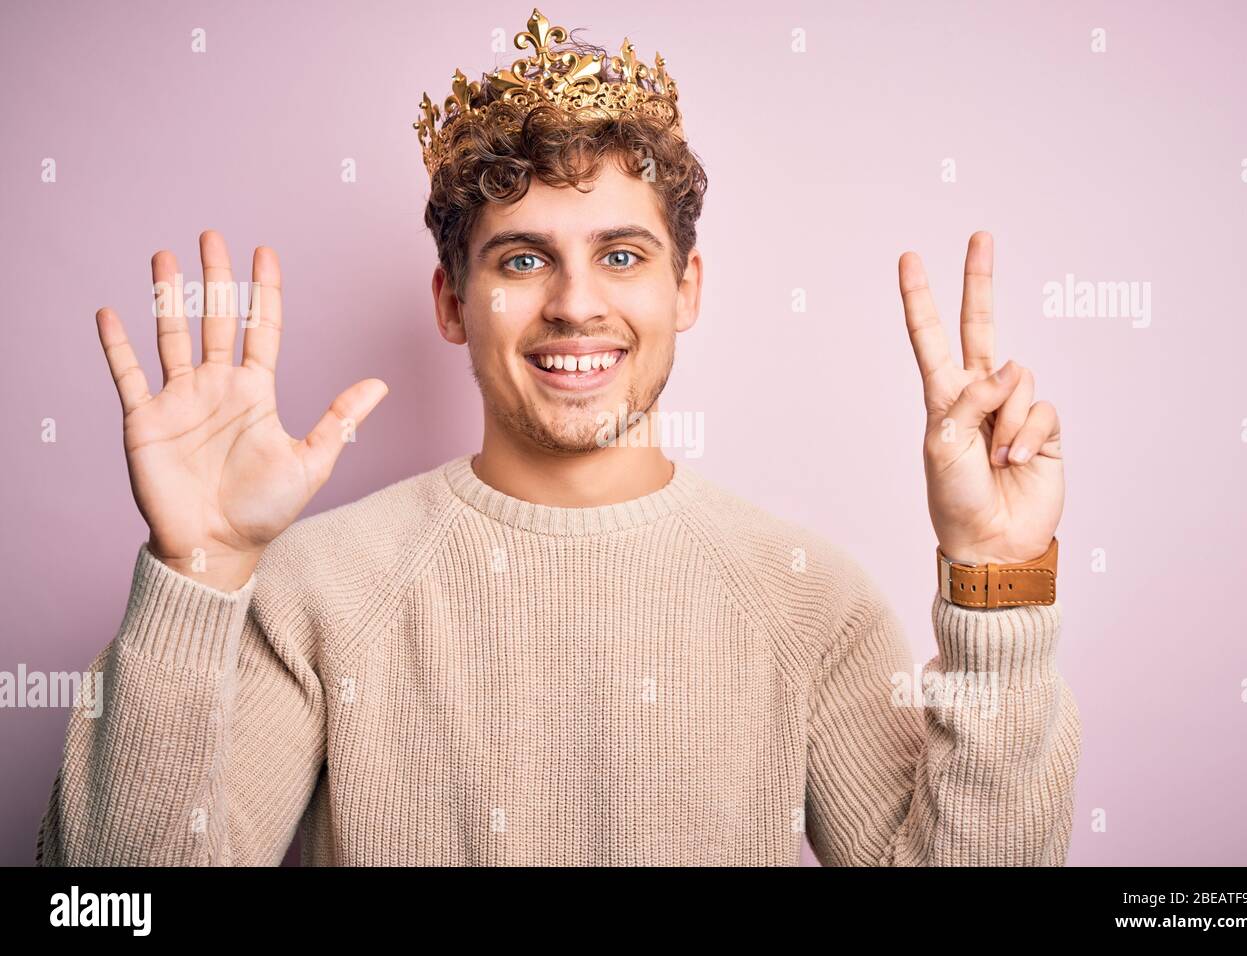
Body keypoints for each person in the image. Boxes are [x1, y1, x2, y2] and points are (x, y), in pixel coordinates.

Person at [37, 8, 1078, 866]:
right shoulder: (315, 589)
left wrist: (999, 576)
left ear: (687, 288)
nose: (577, 305)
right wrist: (199, 568)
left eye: (622, 255)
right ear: (451, 300)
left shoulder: (809, 596)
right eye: (523, 260)